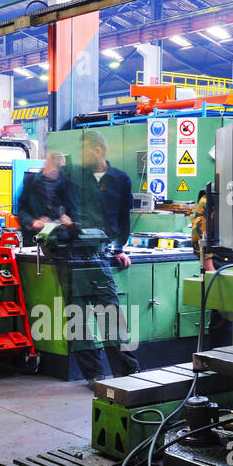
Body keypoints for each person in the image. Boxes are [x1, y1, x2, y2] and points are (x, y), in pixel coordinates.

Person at [62, 129, 140, 383]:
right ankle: (93, 375)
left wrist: (118, 249)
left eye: (85, 149)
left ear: (98, 151)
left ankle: (127, 372)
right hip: (72, 255)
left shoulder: (120, 179)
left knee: (111, 316)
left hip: (99, 256)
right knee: (78, 321)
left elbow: (123, 220)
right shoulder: (72, 177)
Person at [15, 150, 77, 244]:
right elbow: (21, 209)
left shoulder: (68, 184)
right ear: (46, 165)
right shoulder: (30, 182)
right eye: (52, 168)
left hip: (60, 240)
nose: (54, 173)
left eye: (57, 170)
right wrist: (32, 222)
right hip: (35, 239)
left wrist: (69, 220)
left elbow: (75, 211)